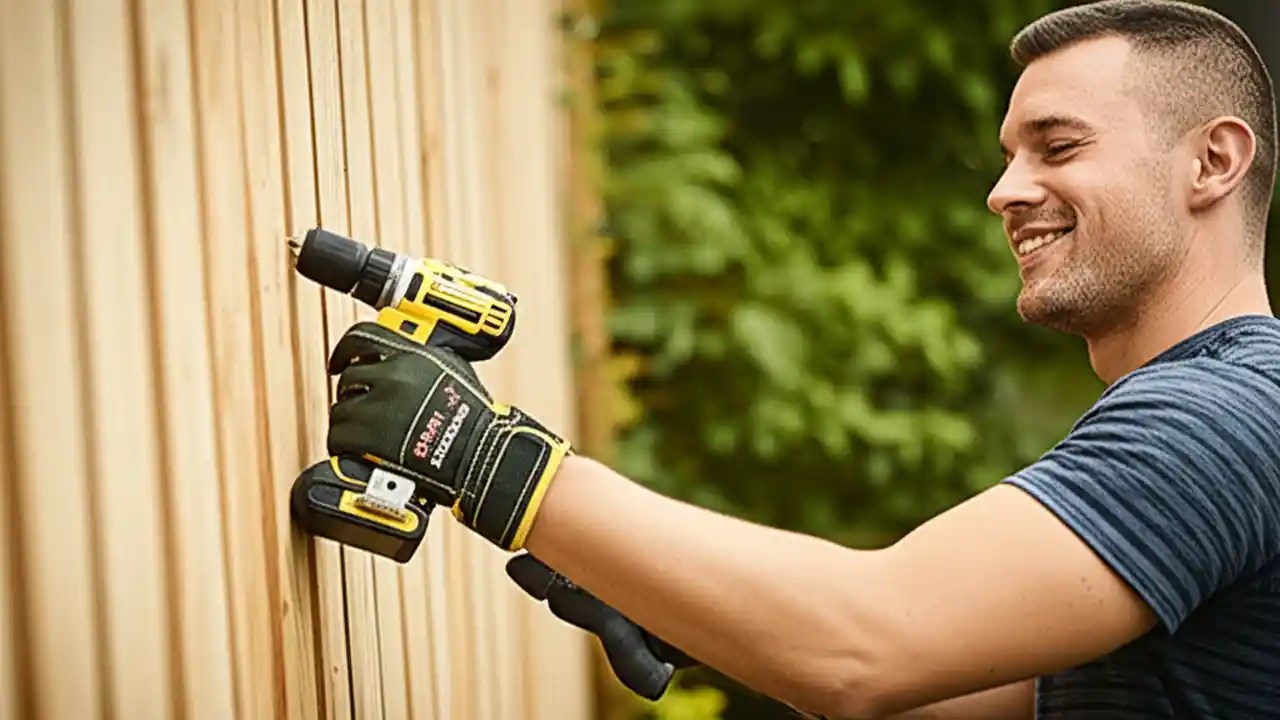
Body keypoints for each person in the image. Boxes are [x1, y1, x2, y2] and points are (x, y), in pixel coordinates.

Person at [320, 1, 1280, 717]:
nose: (1004, 191)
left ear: (1213, 162)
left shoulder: (1228, 413)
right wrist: (696, 610)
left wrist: (480, 455)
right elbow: (978, 693)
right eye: (1008, 156)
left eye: (1057, 147)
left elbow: (865, 646)